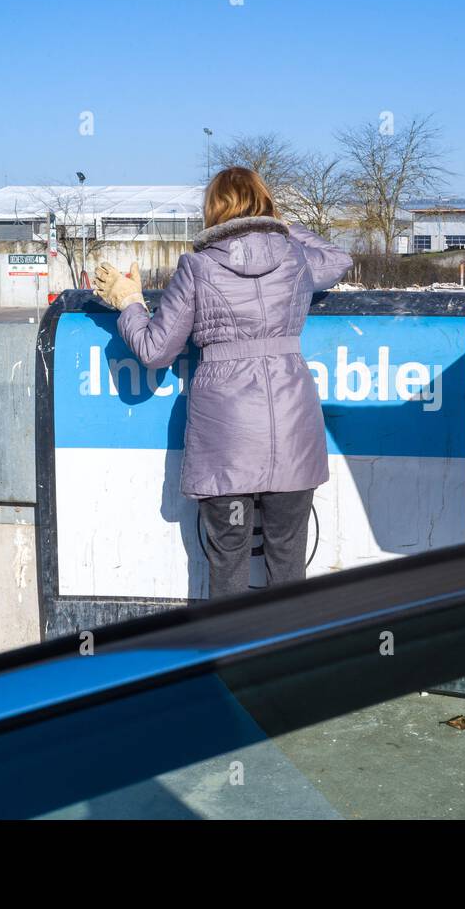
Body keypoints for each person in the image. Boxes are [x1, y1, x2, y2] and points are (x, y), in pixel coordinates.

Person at [92, 167, 352, 597]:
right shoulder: (294, 258)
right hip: (292, 434)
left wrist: (129, 302)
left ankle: (230, 660)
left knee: (228, 564)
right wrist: (283, 225)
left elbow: (156, 350)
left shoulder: (197, 267)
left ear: (213, 210)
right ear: (265, 203)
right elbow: (339, 260)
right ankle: (289, 661)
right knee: (288, 563)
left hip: (228, 443)